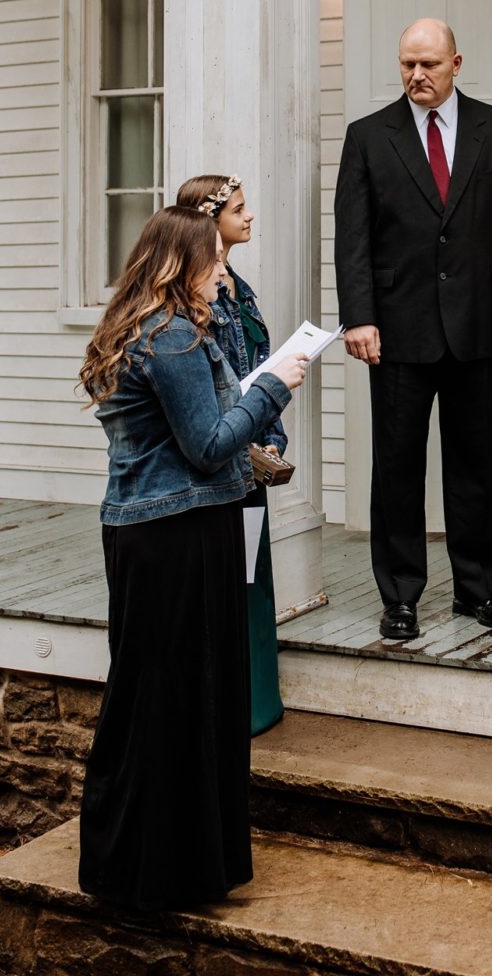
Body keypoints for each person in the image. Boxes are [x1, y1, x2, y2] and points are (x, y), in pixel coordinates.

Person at [77, 206, 307, 910]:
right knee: (174, 702)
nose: (222, 273)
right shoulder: (171, 336)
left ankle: (155, 865)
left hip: (159, 529)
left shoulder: (141, 327)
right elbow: (206, 444)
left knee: (161, 698)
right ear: (181, 266)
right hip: (177, 532)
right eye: (213, 262)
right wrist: (274, 385)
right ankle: (159, 873)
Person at [334, 17, 492, 641]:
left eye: (428, 64)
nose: (416, 76)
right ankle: (400, 596)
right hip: (395, 332)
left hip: (475, 327)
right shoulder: (369, 137)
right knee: (396, 468)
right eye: (406, 65)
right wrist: (360, 316)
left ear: (457, 63)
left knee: (474, 464)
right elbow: (354, 239)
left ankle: (479, 592)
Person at [176, 173, 287, 736]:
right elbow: (219, 385)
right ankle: (233, 706)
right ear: (207, 219)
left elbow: (258, 369)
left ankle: (258, 699)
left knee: (251, 576)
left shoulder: (237, 287)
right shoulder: (196, 298)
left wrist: (272, 436)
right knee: (229, 580)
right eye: (238, 209)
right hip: (221, 455)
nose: (249, 217)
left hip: (251, 449)